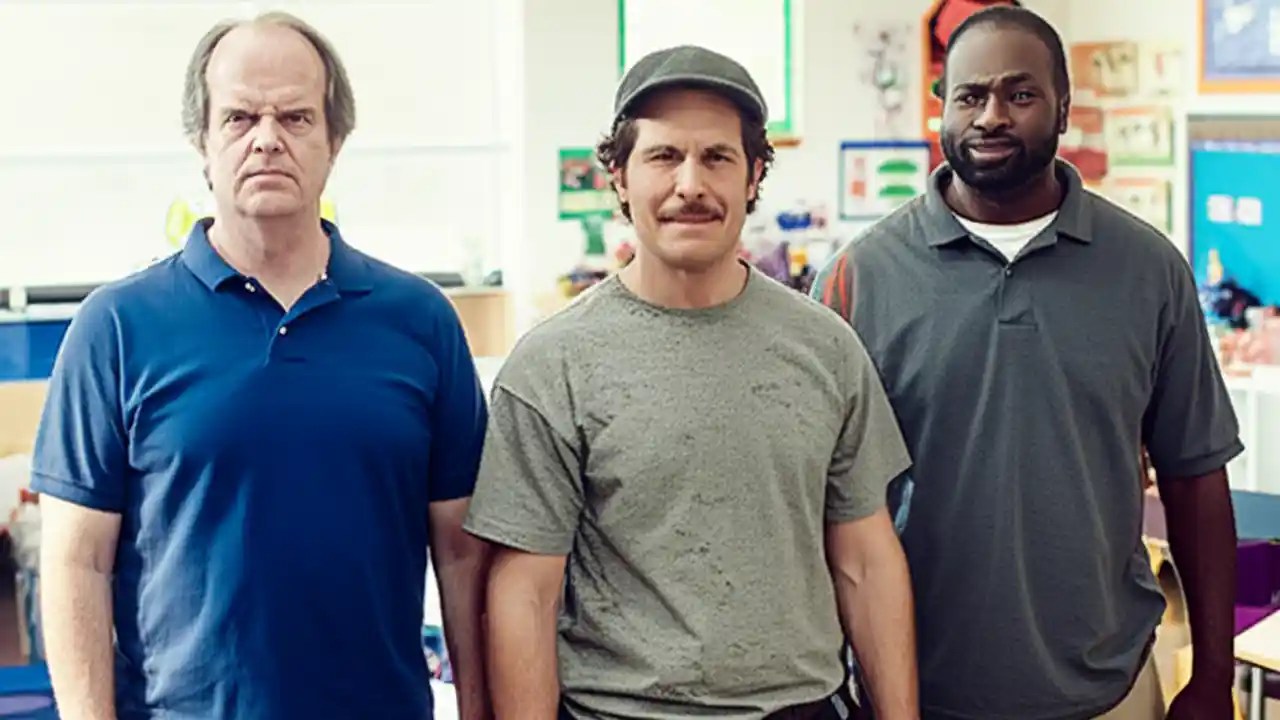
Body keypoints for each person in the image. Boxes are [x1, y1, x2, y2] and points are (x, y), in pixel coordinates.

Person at [33, 12, 490, 720]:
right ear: (202, 141)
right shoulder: (117, 326)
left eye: (297, 117)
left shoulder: (420, 320)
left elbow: (462, 555)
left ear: (335, 140)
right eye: (241, 116)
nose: (268, 139)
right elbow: (75, 564)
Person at [463, 45, 920, 720]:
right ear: (618, 176)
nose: (690, 184)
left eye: (717, 157)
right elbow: (524, 593)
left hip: (798, 708)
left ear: (754, 173)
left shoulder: (827, 348)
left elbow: (866, 560)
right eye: (663, 157)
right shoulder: (553, 365)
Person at [812, 7, 1242, 720]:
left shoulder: (1147, 270)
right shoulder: (858, 278)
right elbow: (817, 502)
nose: (991, 117)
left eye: (1020, 94)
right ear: (940, 107)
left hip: (1110, 687)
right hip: (912, 693)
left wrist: (1214, 673)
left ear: (1064, 108)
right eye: (970, 96)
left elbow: (1196, 477)